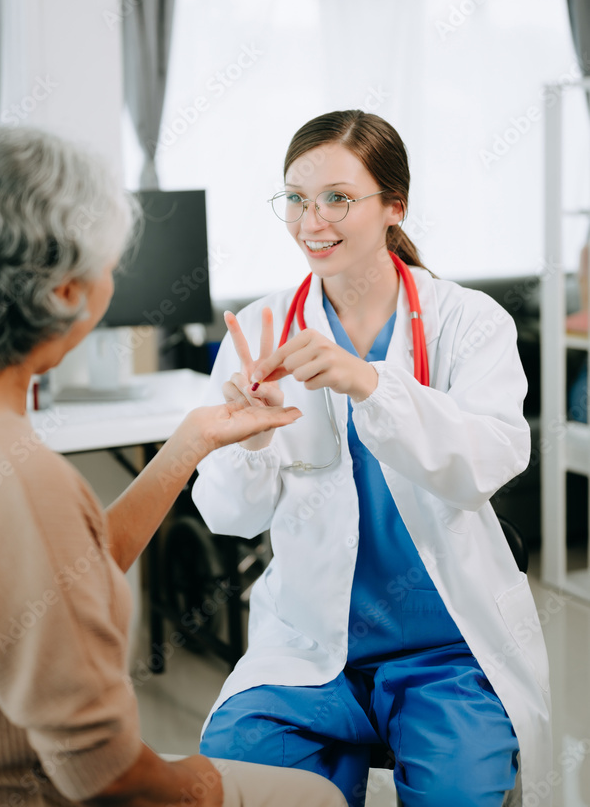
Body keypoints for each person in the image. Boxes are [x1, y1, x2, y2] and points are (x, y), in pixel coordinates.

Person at [0, 124, 348, 807]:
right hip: (11, 791)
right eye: (109, 267)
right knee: (317, 797)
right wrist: (210, 784)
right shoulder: (18, 482)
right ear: (66, 294)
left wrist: (188, 444)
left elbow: (54, 576)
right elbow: (112, 778)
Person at [192, 111, 552, 807]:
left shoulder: (468, 323)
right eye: (295, 198)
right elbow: (228, 517)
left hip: (446, 652)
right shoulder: (261, 331)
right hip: (307, 647)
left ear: (395, 206)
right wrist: (251, 441)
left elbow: (489, 459)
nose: (310, 220)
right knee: (235, 781)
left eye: (336, 197)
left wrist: (370, 383)